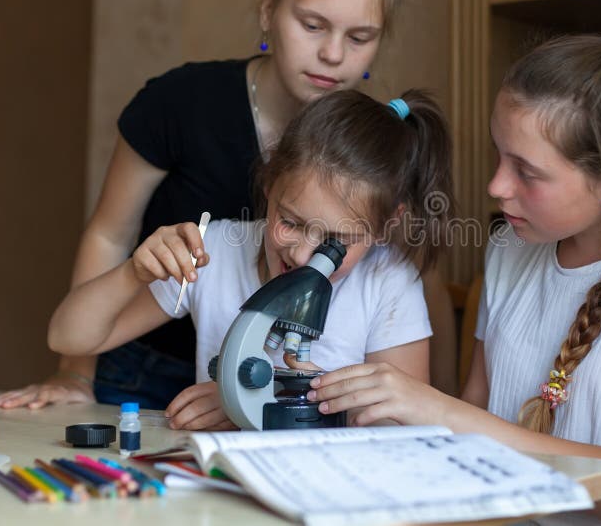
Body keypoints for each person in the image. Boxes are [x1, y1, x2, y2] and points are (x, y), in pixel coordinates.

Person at [0, 0, 457, 411]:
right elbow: (107, 241)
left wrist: (443, 407)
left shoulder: (380, 158)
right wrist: (75, 374)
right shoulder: (182, 107)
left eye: (360, 37)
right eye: (313, 25)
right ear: (268, 10)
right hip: (148, 362)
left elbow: (414, 297)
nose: (333, 54)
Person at [305, 36, 601, 524]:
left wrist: (436, 411)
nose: (496, 186)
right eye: (499, 155)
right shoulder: (511, 245)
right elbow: (478, 418)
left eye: (527, 172)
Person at [48, 88, 452, 430]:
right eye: (290, 222)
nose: (302, 253)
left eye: (335, 240)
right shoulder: (215, 251)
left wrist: (247, 403)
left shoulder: (388, 282)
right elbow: (68, 336)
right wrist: (133, 272)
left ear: (385, 226)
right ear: (270, 182)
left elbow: (402, 429)